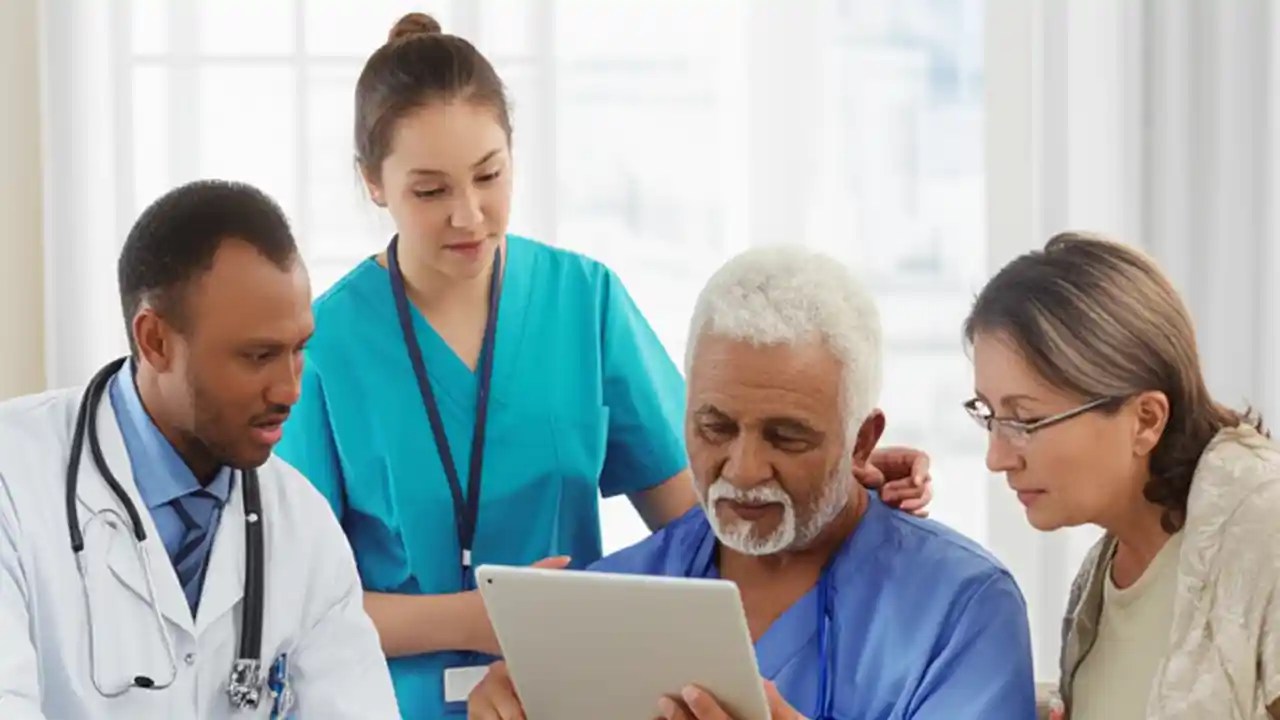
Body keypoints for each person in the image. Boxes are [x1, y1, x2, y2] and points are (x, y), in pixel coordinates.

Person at [274, 13, 933, 718]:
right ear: (374, 184)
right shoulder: (323, 345)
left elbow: (702, 519)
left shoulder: (582, 303)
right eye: (430, 191)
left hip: (565, 697)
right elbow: (299, 607)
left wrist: (830, 484)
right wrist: (476, 618)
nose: (469, 214)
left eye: (489, 175)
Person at [468, 246, 1038, 720]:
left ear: (861, 442)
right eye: (715, 426)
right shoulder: (606, 604)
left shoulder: (960, 609)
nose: (742, 470)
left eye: (786, 437)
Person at [0, 180, 399, 719]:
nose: (289, 390)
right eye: (257, 356)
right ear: (156, 342)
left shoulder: (301, 525)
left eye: (298, 349)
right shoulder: (14, 479)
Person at [964, 233, 1280, 720]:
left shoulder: (1265, 531)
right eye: (989, 414)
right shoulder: (1100, 580)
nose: (998, 457)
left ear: (1147, 419)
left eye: (1025, 420)